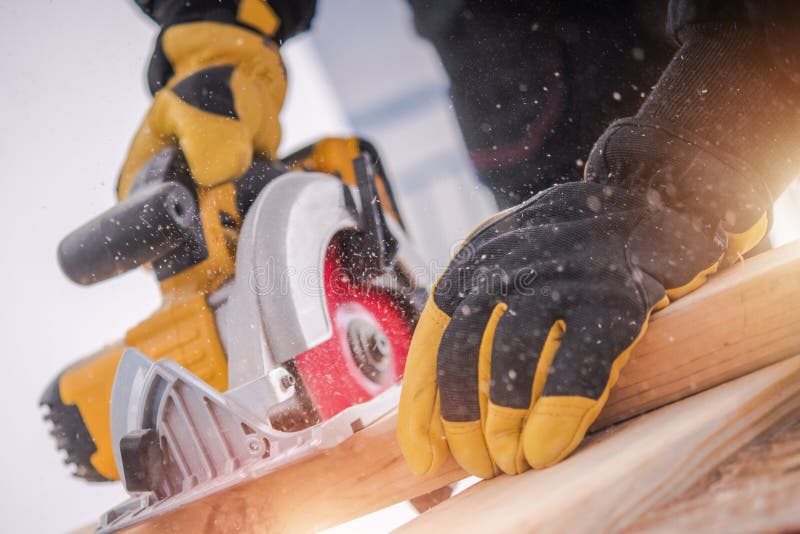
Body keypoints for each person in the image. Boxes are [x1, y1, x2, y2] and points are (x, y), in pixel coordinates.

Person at [97, 0, 800, 479]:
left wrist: (704, 153)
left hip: (671, 31)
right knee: (562, 318)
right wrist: (214, 26)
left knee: (663, 269)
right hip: (505, 45)